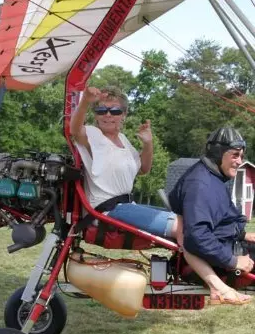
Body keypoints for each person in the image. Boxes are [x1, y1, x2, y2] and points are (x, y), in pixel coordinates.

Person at [70, 85, 181, 241]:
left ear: (124, 114)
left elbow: (143, 169)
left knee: (185, 220)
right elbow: (74, 130)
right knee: (180, 227)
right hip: (106, 210)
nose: (107, 115)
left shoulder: (123, 140)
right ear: (95, 115)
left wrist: (148, 144)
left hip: (127, 206)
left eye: (115, 111)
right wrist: (85, 102)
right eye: (101, 111)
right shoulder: (93, 135)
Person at [169, 126, 254, 305]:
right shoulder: (201, 185)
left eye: (241, 156)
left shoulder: (213, 178)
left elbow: (221, 221)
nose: (240, 162)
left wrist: (245, 235)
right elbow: (196, 237)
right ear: (218, 153)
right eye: (235, 155)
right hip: (221, 258)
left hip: (228, 247)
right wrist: (232, 261)